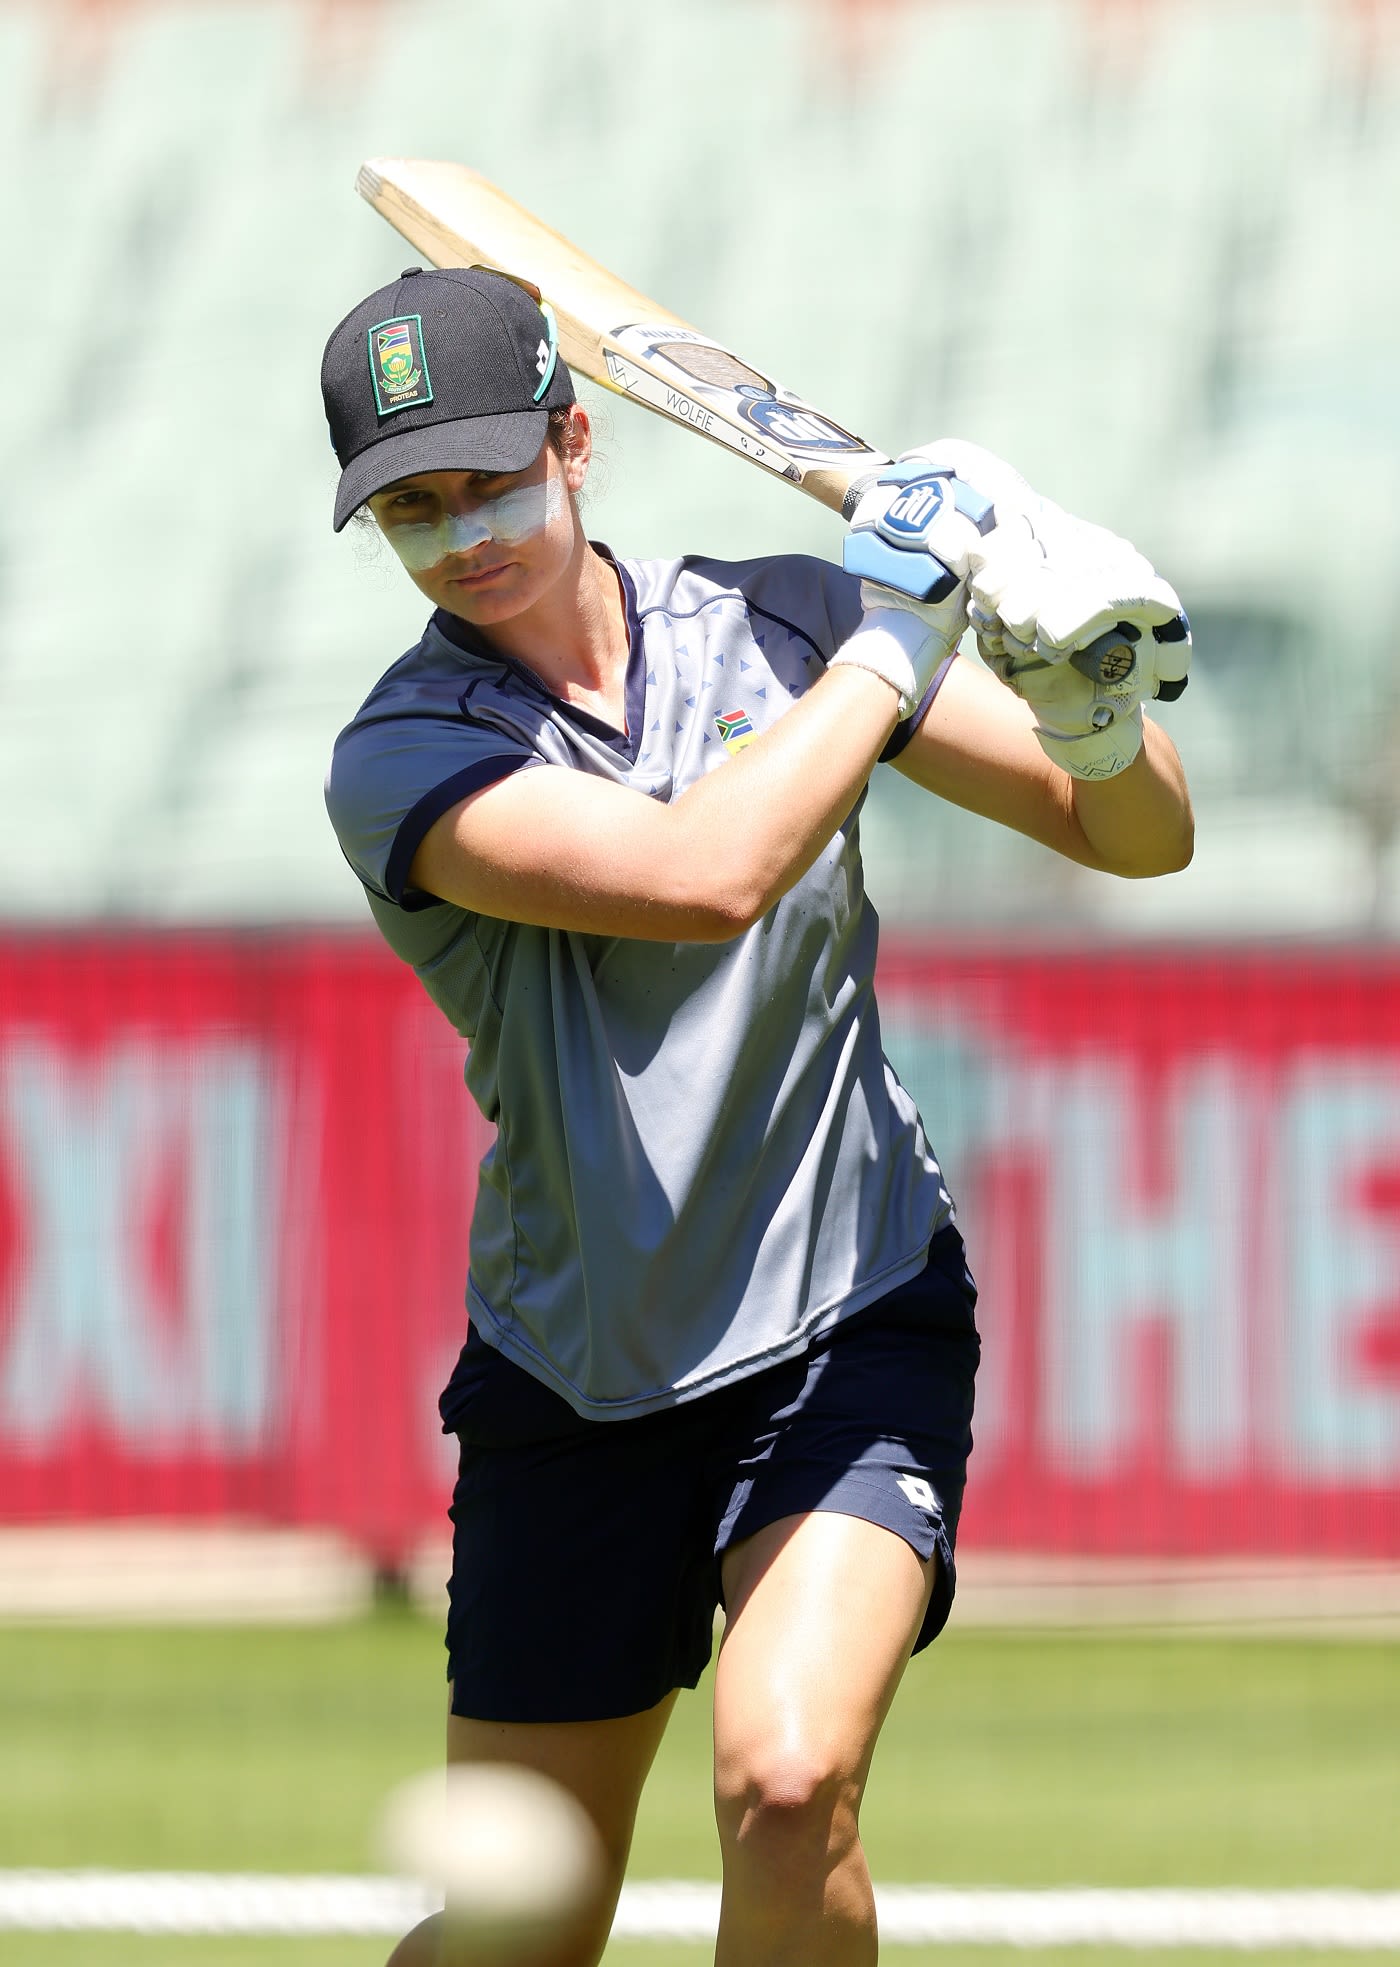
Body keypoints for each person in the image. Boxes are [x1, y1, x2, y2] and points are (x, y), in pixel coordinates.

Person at [321, 265, 1194, 1967]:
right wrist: (897, 637)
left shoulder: (778, 620)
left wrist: (1085, 692)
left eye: (489, 480)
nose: (464, 535)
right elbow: (704, 875)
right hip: (576, 1368)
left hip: (845, 1315)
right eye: (413, 511)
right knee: (519, 1928)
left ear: (577, 445)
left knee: (790, 1782)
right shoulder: (408, 753)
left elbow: (1140, 840)